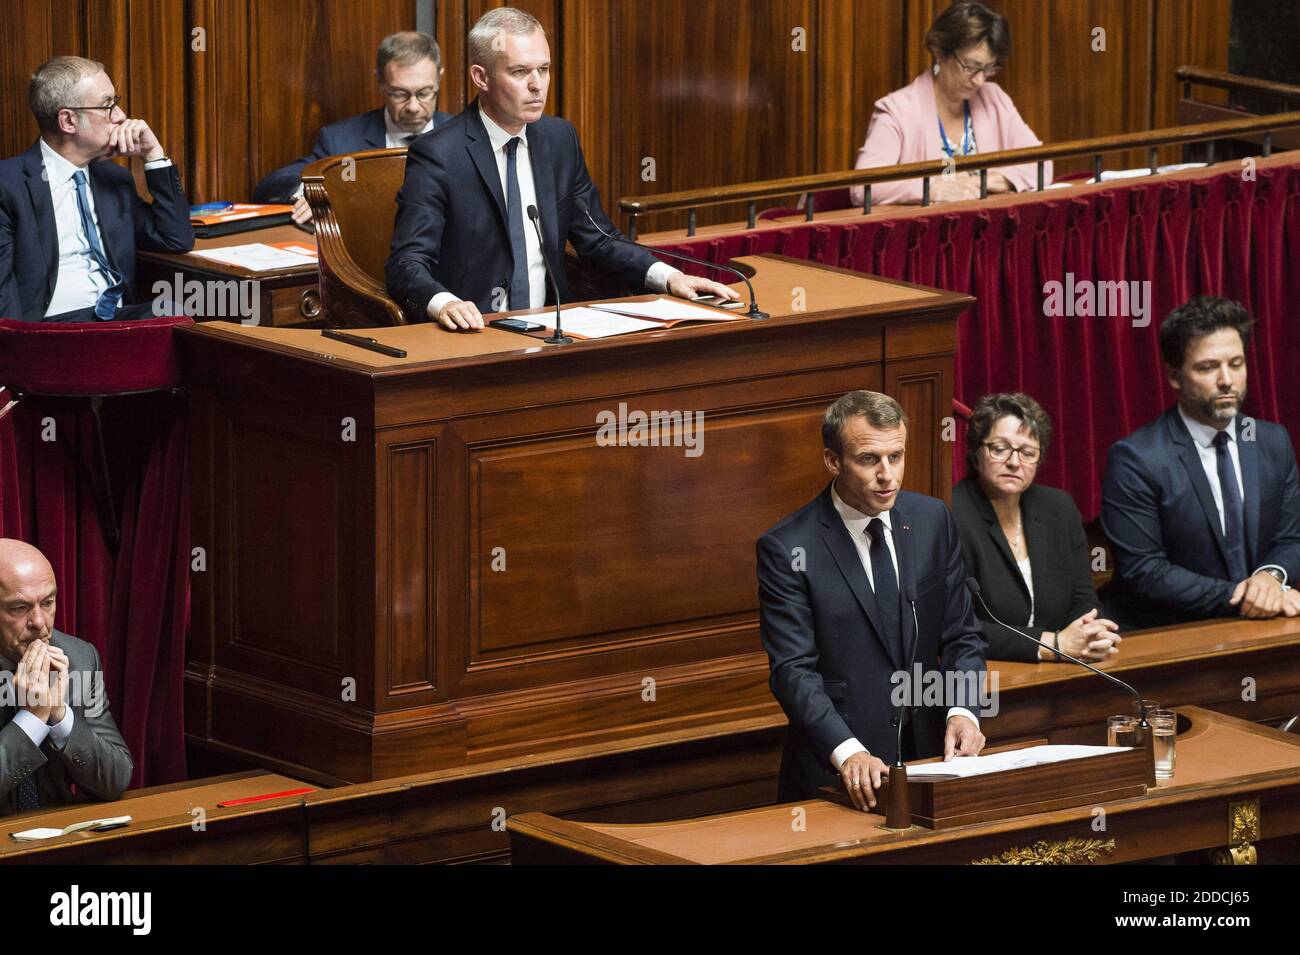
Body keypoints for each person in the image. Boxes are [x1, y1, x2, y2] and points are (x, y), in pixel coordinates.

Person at [386, 7, 738, 331]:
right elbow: (407, 263)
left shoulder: (558, 140)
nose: (537, 85)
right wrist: (444, 303)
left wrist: (668, 276)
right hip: (476, 335)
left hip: (555, 331)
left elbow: (597, 239)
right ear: (481, 77)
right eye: (520, 72)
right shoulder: (438, 154)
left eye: (544, 68)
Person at [756, 391, 986, 810]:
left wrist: (964, 711)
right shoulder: (788, 547)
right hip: (839, 775)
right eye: (869, 459)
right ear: (833, 461)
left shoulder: (933, 520)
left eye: (896, 456)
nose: (888, 475)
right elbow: (792, 671)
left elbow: (962, 636)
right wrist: (848, 751)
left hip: (931, 759)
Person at [1102, 296, 1300, 629]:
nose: (1227, 380)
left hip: (1263, 627)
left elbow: (1291, 538)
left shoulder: (1272, 441)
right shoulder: (1135, 458)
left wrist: (1270, 576)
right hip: (1171, 636)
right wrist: (1244, 594)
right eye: (1208, 367)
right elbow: (1145, 571)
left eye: (1236, 364)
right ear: (1175, 376)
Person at [0, 56, 193, 323]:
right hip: (52, 330)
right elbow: (4, 298)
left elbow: (176, 239)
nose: (121, 116)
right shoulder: (8, 185)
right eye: (107, 105)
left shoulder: (114, 179)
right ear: (68, 121)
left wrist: (154, 156)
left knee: (172, 313)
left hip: (116, 319)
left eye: (117, 102)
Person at [953, 393, 1121, 662]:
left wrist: (1091, 633)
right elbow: (957, 625)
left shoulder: (1059, 508)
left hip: (1062, 669)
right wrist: (1053, 644)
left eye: (1027, 452)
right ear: (976, 453)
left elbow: (1083, 597)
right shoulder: (951, 515)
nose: (1014, 462)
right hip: (987, 674)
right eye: (1000, 448)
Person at [849, 2, 1050, 208]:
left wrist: (994, 180)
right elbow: (863, 186)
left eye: (989, 68)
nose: (980, 80)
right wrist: (934, 188)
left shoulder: (994, 98)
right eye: (970, 66)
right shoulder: (898, 111)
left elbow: (1042, 163)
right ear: (940, 52)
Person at [252, 31, 453, 226]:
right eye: (399, 94)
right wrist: (315, 192)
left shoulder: (464, 137)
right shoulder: (341, 140)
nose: (413, 107)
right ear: (380, 81)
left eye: (424, 93)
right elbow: (273, 185)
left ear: (439, 79)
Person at [0, 539, 132, 815]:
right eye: (19, 608)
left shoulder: (80, 657)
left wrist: (60, 714)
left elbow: (115, 778)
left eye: (47, 603)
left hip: (59, 840)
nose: (40, 622)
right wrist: (32, 719)